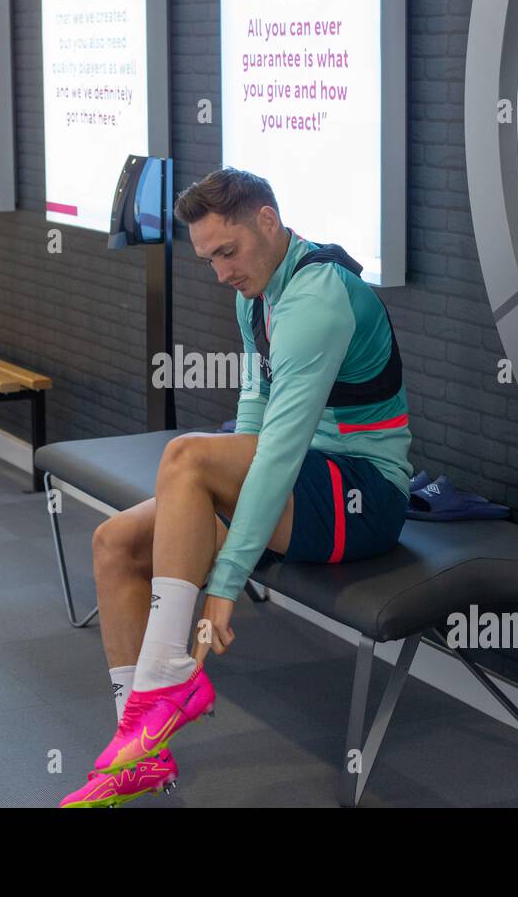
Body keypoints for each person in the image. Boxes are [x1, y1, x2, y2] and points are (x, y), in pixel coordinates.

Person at [59, 167, 413, 807]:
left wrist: (223, 587)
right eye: (209, 259)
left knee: (186, 456)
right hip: (304, 480)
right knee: (115, 543)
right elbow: (253, 422)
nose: (221, 271)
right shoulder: (255, 294)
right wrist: (212, 501)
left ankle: (167, 683)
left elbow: (277, 452)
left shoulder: (317, 296)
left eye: (229, 251)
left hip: (363, 494)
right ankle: (141, 752)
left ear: (268, 223)